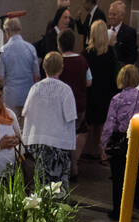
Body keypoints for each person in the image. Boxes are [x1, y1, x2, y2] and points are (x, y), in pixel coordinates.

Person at [100, 64, 139, 220]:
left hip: (121, 138)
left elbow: (110, 124)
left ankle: (118, 210)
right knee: (138, 170)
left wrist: (103, 144)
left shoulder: (117, 99)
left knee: (118, 175)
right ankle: (137, 201)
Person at [22, 52, 77, 188]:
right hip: (58, 143)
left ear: (43, 67)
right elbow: (71, 117)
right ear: (61, 68)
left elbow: (26, 113)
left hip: (38, 142)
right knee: (58, 187)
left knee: (40, 186)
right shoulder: (65, 90)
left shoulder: (35, 88)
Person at [83, 20, 118, 161]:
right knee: (102, 124)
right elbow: (113, 75)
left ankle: (88, 149)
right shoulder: (110, 53)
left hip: (91, 92)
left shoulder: (86, 53)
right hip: (105, 92)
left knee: (89, 123)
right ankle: (100, 150)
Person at [56, 31, 90, 175]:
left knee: (63, 135)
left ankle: (64, 166)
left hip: (61, 106)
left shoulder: (58, 62)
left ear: (59, 45)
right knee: (80, 132)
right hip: (79, 104)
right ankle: (74, 163)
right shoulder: (82, 60)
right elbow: (89, 82)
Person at [0, 17, 39, 112]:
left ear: (7, 31)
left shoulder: (4, 50)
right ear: (20, 29)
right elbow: (37, 76)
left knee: (12, 124)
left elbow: (0, 79)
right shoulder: (31, 48)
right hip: (28, 93)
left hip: (11, 96)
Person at [107, 2, 139, 66]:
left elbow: (132, 56)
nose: (111, 17)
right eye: (110, 14)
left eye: (114, 14)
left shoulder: (129, 32)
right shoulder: (104, 29)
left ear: (122, 16)